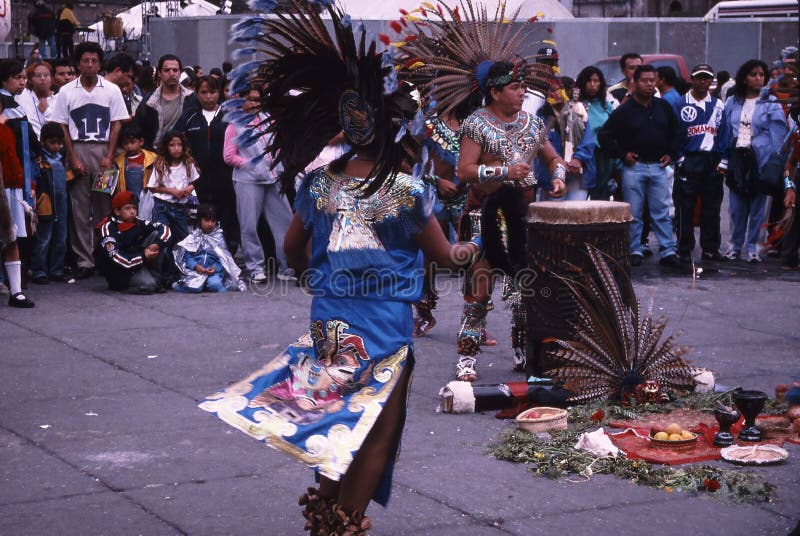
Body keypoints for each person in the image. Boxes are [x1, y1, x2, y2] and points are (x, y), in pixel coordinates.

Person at [198, 3, 481, 534]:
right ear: (394, 131)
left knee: (336, 419)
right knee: (377, 430)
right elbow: (446, 257)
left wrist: (318, 278)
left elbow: (292, 248)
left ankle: (326, 517)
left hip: (330, 317)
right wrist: (478, 247)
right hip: (385, 323)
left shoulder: (319, 185)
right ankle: (345, 524)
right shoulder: (408, 192)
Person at [455, 61, 568, 379]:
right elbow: (464, 171)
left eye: (523, 88)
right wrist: (504, 171)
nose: (522, 93)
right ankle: (467, 357)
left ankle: (522, 351)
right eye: (515, 88)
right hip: (484, 213)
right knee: (480, 290)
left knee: (523, 291)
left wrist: (558, 176)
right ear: (495, 92)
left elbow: (553, 158)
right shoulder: (477, 124)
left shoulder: (531, 124)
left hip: (520, 216)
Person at [52, 41, 128, 279]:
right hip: (79, 148)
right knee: (80, 209)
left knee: (104, 205)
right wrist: (73, 157)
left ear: (100, 63)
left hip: (103, 150)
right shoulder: (67, 91)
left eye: (94, 60)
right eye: (85, 60)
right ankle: (85, 260)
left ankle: (104, 254)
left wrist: (109, 155)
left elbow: (116, 125)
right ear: (78, 63)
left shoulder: (111, 90)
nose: (90, 65)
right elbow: (62, 126)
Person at [598, 64, 681, 269]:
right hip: (634, 168)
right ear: (635, 82)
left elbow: (677, 132)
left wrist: (671, 153)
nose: (650, 84)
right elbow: (605, 136)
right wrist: (621, 154)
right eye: (645, 80)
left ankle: (668, 250)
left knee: (661, 211)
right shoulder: (625, 110)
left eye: (653, 80)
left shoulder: (663, 107)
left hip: (659, 167)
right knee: (633, 212)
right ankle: (634, 249)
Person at [717, 59, 789, 263]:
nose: (758, 78)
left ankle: (753, 248)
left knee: (758, 208)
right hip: (738, 158)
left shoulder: (771, 102)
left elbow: (778, 133)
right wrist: (724, 158)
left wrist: (774, 161)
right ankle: (734, 247)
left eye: (761, 75)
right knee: (736, 208)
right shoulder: (732, 101)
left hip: (761, 160)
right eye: (753, 74)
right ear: (744, 77)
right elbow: (726, 131)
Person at [223, 86, 292, 281]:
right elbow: (229, 156)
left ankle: (286, 267)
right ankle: (255, 269)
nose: (254, 103)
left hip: (272, 178)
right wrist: (253, 165)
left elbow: (277, 146)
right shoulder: (234, 125)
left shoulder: (268, 119)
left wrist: (275, 164)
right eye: (250, 99)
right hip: (248, 181)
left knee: (284, 221)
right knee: (249, 225)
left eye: (257, 99)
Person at [176, 76, 239, 253]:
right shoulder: (189, 116)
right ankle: (203, 253)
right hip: (198, 178)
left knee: (228, 215)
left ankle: (229, 253)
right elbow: (177, 142)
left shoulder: (229, 115)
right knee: (202, 215)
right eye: (203, 92)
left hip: (226, 177)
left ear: (219, 93)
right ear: (196, 93)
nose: (208, 96)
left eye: (212, 92)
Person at [672, 64, 727, 263]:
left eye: (707, 78)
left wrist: (724, 161)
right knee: (684, 207)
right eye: (699, 78)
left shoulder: (718, 104)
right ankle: (684, 249)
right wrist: (680, 158)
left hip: (711, 160)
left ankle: (710, 249)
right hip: (690, 159)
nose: (703, 82)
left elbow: (724, 133)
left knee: (711, 207)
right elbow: (674, 134)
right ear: (692, 80)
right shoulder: (680, 103)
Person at [95, 190, 171, 293]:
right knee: (149, 285)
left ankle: (155, 276)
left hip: (136, 262)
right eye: (128, 208)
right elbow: (115, 257)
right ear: (117, 211)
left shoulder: (138, 222)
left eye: (134, 208)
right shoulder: (108, 228)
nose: (132, 212)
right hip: (119, 270)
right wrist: (143, 256)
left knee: (156, 234)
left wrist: (157, 244)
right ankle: (125, 287)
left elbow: (164, 228)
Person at [0, 105, 35, 307]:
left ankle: (16, 291)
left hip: (10, 187)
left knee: (11, 235)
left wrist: (24, 182)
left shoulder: (6, 129)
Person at [571, 65, 620, 200]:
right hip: (582, 155)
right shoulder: (575, 105)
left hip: (603, 155)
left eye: (596, 81)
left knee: (601, 193)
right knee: (579, 194)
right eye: (589, 81)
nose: (592, 85)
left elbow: (616, 130)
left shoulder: (606, 104)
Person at [31, 122, 69, 284]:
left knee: (61, 236)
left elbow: (66, 178)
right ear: (43, 141)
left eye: (59, 143)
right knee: (44, 237)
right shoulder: (40, 159)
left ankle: (57, 269)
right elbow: (36, 179)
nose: (57, 146)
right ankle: (39, 270)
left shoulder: (62, 158)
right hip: (46, 202)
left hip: (62, 201)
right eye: (52, 142)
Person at [172, 203, 241, 292]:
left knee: (215, 285)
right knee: (195, 288)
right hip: (196, 271)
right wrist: (195, 266)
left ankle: (208, 284)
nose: (210, 224)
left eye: (213, 221)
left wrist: (215, 268)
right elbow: (187, 256)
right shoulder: (193, 237)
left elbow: (224, 259)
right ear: (199, 220)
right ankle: (183, 284)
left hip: (214, 272)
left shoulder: (219, 238)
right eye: (206, 220)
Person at [146, 130, 198, 243]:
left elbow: (197, 181)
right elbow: (152, 187)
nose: (176, 148)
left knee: (185, 240)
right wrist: (171, 191)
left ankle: (181, 260)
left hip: (179, 208)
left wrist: (189, 188)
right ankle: (163, 259)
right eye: (172, 145)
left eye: (179, 145)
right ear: (166, 147)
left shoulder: (188, 164)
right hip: (162, 207)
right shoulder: (161, 164)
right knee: (162, 238)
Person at [135, 54, 193, 150]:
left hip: (184, 153)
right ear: (159, 73)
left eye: (175, 70)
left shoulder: (192, 98)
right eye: (167, 70)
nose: (171, 74)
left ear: (180, 73)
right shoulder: (149, 101)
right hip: (155, 154)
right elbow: (139, 129)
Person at [113, 122, 156, 217]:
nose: (129, 146)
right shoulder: (118, 161)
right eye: (126, 143)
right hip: (127, 199)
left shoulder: (152, 159)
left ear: (141, 141)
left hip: (145, 198)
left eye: (132, 142)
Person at [16, 61, 56, 138]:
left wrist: (46, 111)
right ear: (30, 80)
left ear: (52, 78)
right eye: (38, 75)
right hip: (30, 145)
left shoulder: (59, 97)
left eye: (46, 75)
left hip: (54, 145)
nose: (42, 78)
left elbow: (60, 127)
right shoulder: (22, 95)